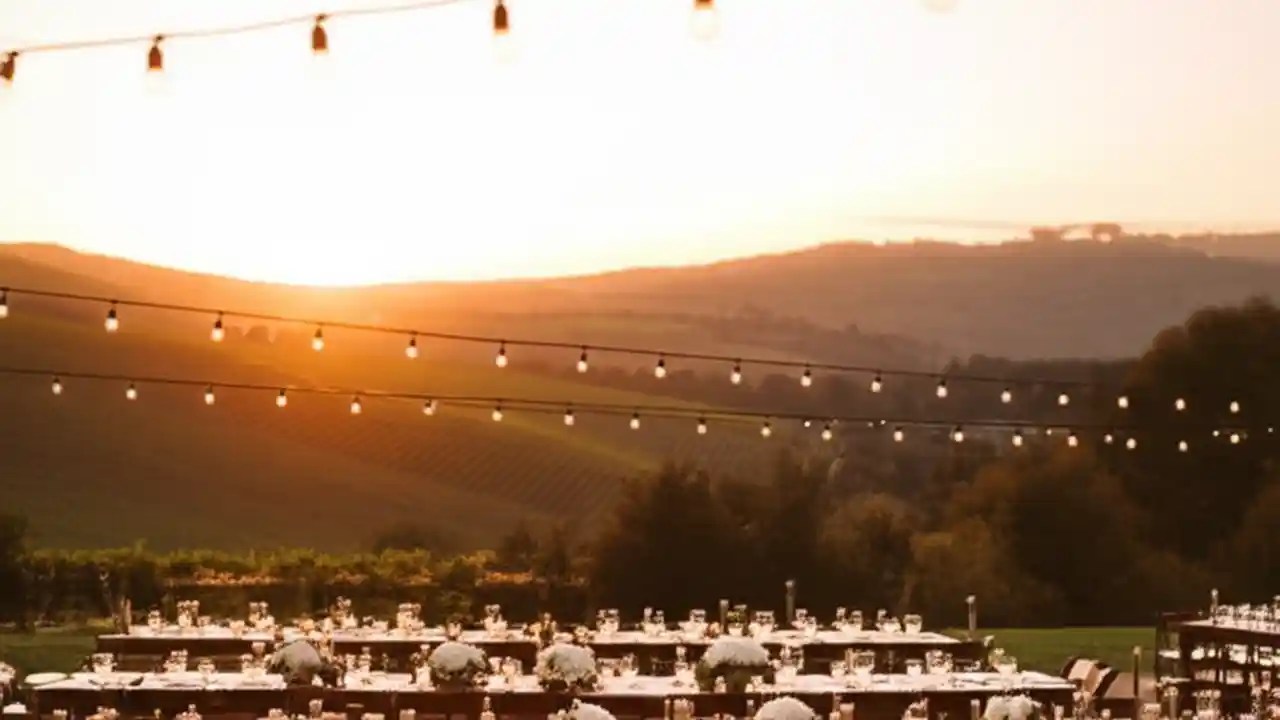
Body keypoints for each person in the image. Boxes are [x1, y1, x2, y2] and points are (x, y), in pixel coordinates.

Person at [267, 639, 341, 686]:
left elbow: (274, 664)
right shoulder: (306, 644)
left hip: (299, 668)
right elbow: (320, 658)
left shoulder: (283, 650)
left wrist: (269, 673)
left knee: (292, 679)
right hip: (316, 665)